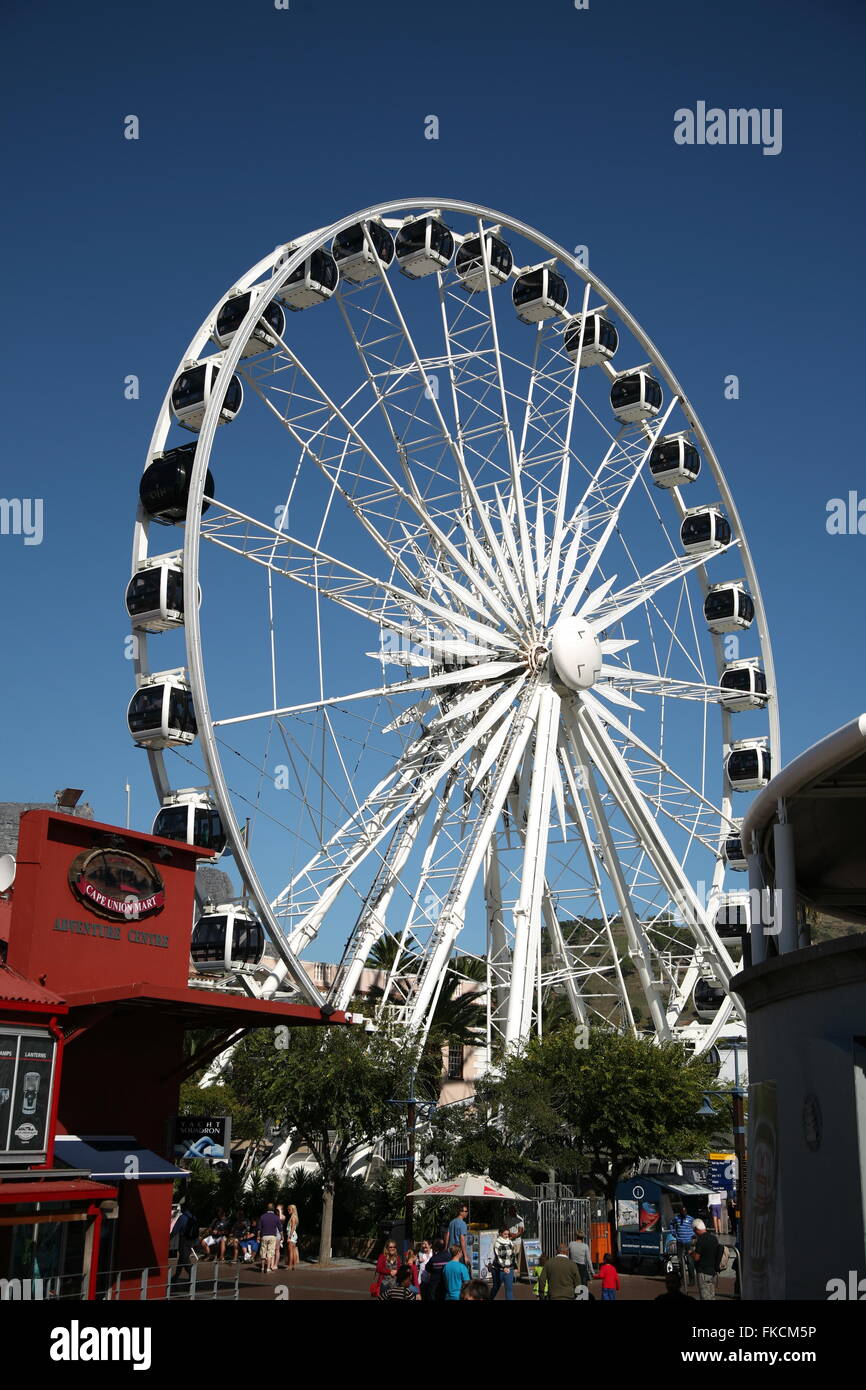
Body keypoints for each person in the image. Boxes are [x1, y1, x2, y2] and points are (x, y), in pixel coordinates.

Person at [692, 1219, 720, 1301]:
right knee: (711, 1296)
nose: (694, 1233)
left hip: (703, 1272)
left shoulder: (701, 1240)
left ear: (697, 1229)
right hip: (712, 1271)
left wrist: (691, 1252)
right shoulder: (714, 1238)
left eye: (694, 1230)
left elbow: (697, 1257)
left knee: (705, 1296)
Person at [174, 1203, 199, 1283]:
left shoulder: (182, 1217)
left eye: (181, 1207)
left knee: (184, 1259)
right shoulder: (193, 1217)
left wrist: (168, 1238)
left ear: (184, 1208)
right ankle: (176, 1276)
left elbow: (175, 1230)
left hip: (184, 1240)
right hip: (192, 1240)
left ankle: (192, 1276)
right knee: (182, 1258)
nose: (180, 1209)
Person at [671, 1206, 695, 1286]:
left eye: (685, 1211)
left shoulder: (691, 1218)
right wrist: (673, 1232)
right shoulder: (676, 1218)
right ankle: (682, 1278)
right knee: (680, 1261)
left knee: (690, 1261)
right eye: (682, 1212)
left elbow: (695, 1226)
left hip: (688, 1242)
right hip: (679, 1242)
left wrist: (693, 1234)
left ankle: (692, 1279)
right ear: (680, 1212)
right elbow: (671, 1224)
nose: (684, 1213)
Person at [490, 1226, 516, 1300]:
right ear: (500, 1233)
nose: (507, 1236)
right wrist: (504, 1266)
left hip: (509, 1269)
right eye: (505, 1234)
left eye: (508, 1234)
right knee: (496, 1288)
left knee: (509, 1290)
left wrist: (515, 1266)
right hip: (498, 1269)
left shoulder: (510, 1242)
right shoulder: (497, 1243)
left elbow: (513, 1255)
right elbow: (498, 1257)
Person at [258, 1202, 281, 1273]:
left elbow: (259, 1228)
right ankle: (268, 1268)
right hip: (272, 1236)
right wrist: (282, 1236)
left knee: (263, 1251)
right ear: (273, 1209)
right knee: (270, 1252)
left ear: (267, 1208)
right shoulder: (276, 1217)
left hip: (264, 1236)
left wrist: (258, 1236)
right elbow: (280, 1228)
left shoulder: (262, 1216)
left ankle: (262, 1268)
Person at [285, 1204, 299, 1269]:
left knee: (290, 1250)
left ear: (293, 1210)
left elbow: (292, 1227)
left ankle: (290, 1266)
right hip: (293, 1234)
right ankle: (293, 1265)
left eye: (289, 1209)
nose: (288, 1211)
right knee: (292, 1250)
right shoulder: (294, 1217)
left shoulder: (293, 1217)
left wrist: (289, 1236)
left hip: (291, 1234)